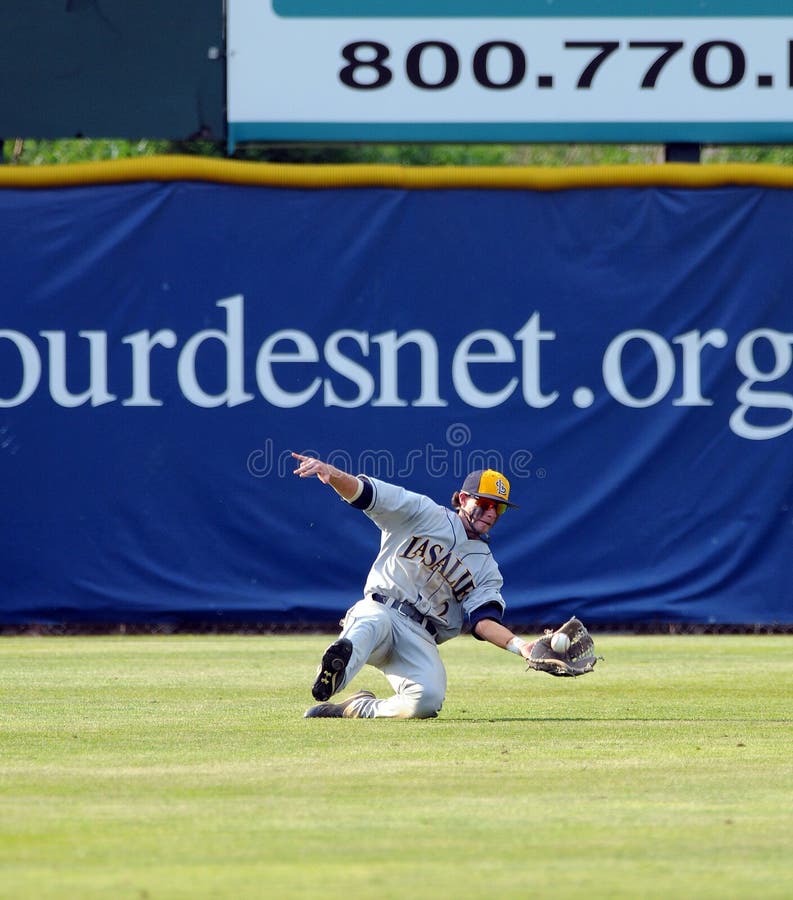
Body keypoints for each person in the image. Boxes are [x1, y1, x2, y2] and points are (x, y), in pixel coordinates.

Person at [292, 451, 537, 719]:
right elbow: (367, 494)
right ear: (464, 499)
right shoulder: (423, 512)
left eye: (499, 507)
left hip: (421, 638)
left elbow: (483, 621)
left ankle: (358, 707)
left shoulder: (486, 568)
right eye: (486, 503)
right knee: (366, 627)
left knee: (426, 702)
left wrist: (521, 646)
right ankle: (333, 673)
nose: (492, 513)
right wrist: (333, 474)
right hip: (382, 610)